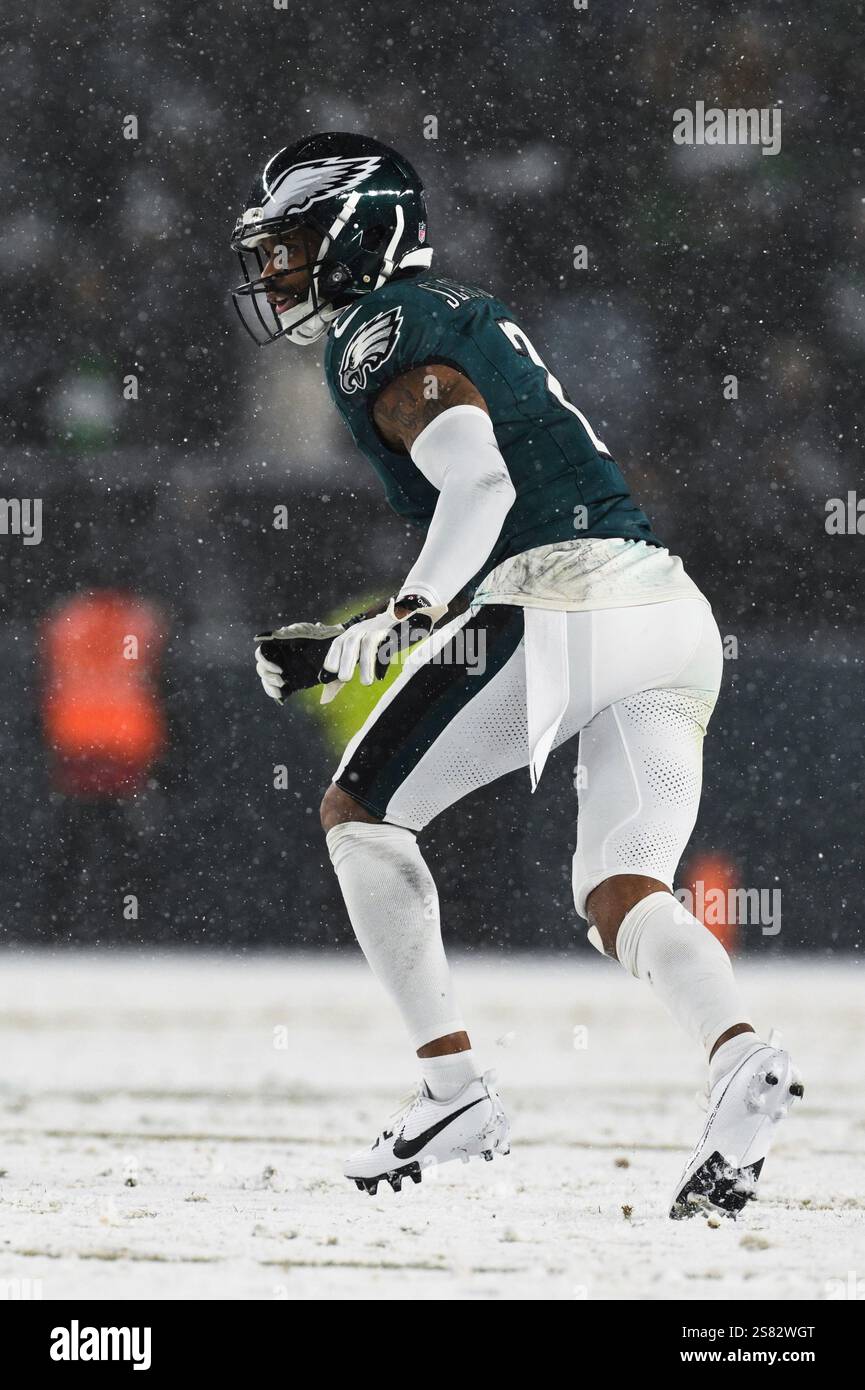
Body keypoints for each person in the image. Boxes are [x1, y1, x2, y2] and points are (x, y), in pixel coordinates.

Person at [233, 132, 802, 1216]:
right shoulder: (459, 307)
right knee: (620, 890)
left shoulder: (377, 328)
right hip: (668, 613)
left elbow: (481, 486)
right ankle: (739, 1058)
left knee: (360, 811)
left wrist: (409, 609)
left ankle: (453, 1092)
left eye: (293, 245)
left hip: (563, 602)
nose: (275, 272)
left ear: (356, 235)